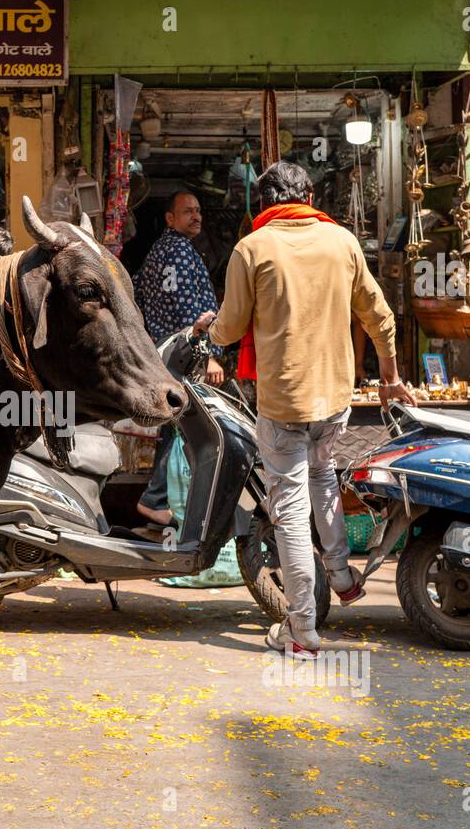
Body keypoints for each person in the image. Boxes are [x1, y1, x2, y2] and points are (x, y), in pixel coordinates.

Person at [196, 161, 415, 659]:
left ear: (263, 204)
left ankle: (302, 628)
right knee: (321, 477)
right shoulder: (342, 243)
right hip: (334, 400)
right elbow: (380, 315)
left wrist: (208, 333)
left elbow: (229, 328)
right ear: (310, 195)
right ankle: (340, 574)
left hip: (283, 402)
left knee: (289, 508)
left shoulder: (251, 249)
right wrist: (391, 378)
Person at [132, 190, 223, 527]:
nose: (196, 216)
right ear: (170, 218)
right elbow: (190, 311)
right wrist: (210, 356)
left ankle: (163, 499)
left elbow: (137, 289)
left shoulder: (160, 251)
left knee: (178, 426)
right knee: (183, 427)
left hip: (164, 349)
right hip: (183, 354)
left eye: (198, 210)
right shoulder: (179, 253)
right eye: (188, 212)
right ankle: (155, 499)